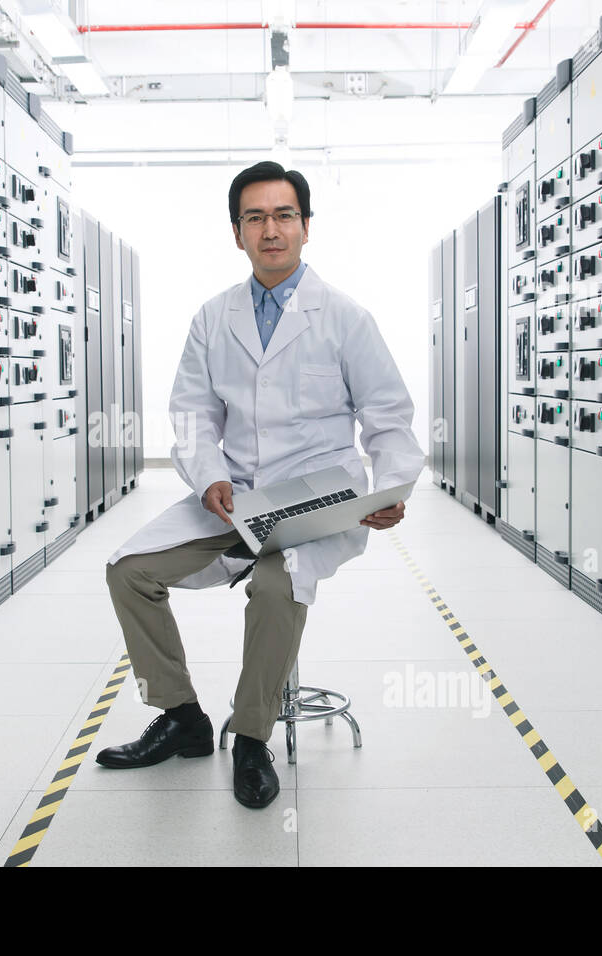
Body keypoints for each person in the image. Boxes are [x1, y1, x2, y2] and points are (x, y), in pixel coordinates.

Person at [99, 161, 425, 809]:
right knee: (128, 569)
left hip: (319, 502)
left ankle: (252, 737)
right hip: (235, 501)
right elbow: (192, 416)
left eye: (283, 216)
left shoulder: (346, 318)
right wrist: (211, 476)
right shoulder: (212, 319)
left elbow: (387, 417)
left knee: (275, 587)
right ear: (237, 233)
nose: (270, 230)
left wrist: (390, 488)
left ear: (306, 227)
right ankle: (181, 717)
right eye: (255, 218)